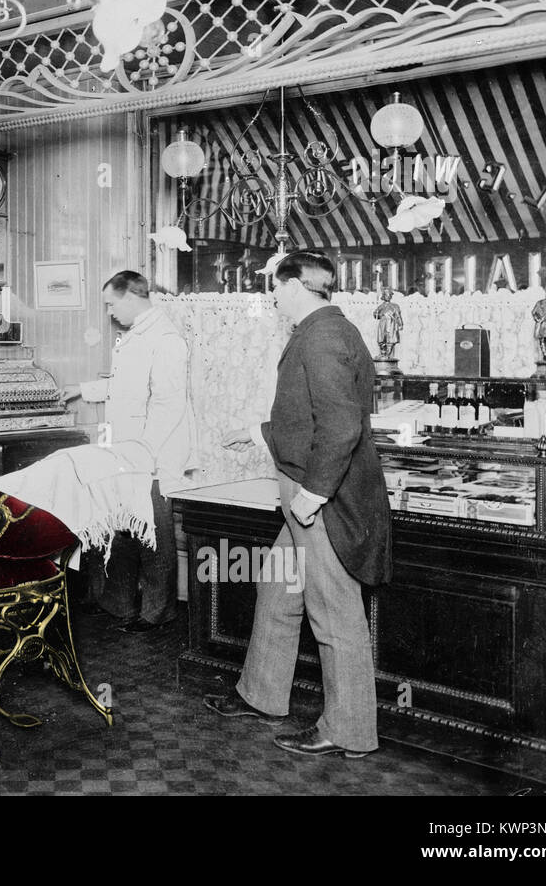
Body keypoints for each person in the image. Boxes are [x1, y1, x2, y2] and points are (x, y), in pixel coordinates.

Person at [211, 250, 391, 758]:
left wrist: (313, 496)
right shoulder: (328, 329)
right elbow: (309, 415)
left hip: (320, 494)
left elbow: (340, 427)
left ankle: (349, 731)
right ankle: (262, 695)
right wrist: (255, 432)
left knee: (334, 614)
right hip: (304, 487)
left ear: (292, 285)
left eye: (275, 286)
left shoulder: (323, 336)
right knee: (278, 590)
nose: (272, 297)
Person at [68, 270, 196, 633]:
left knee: (152, 530)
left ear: (130, 297)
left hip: (151, 454)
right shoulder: (135, 336)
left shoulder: (167, 339)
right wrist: (83, 390)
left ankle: (158, 611)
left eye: (111, 303)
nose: (109, 312)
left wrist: (145, 450)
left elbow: (169, 404)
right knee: (123, 526)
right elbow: (124, 388)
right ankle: (117, 603)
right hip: (126, 449)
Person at [373, 287, 402, 359]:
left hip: (391, 324)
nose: (388, 296)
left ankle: (388, 354)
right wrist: (377, 314)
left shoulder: (395, 306)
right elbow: (376, 315)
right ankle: (382, 353)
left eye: (389, 295)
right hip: (383, 324)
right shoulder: (381, 306)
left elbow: (398, 316)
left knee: (390, 339)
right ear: (383, 296)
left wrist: (400, 324)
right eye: (386, 295)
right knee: (381, 339)